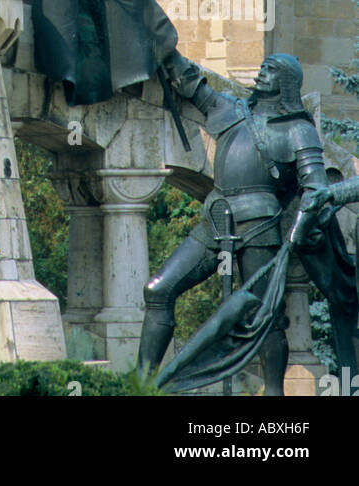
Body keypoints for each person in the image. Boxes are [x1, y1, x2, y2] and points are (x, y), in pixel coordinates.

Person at [138, 51, 359, 395]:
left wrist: (300, 226)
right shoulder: (229, 109)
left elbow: (314, 188)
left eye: (270, 70)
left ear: (286, 81)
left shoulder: (299, 130)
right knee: (158, 290)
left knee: (266, 316)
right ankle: (142, 387)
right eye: (262, 67)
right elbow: (193, 85)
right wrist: (163, 46)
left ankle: (273, 391)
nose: (261, 73)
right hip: (215, 222)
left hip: (260, 229)